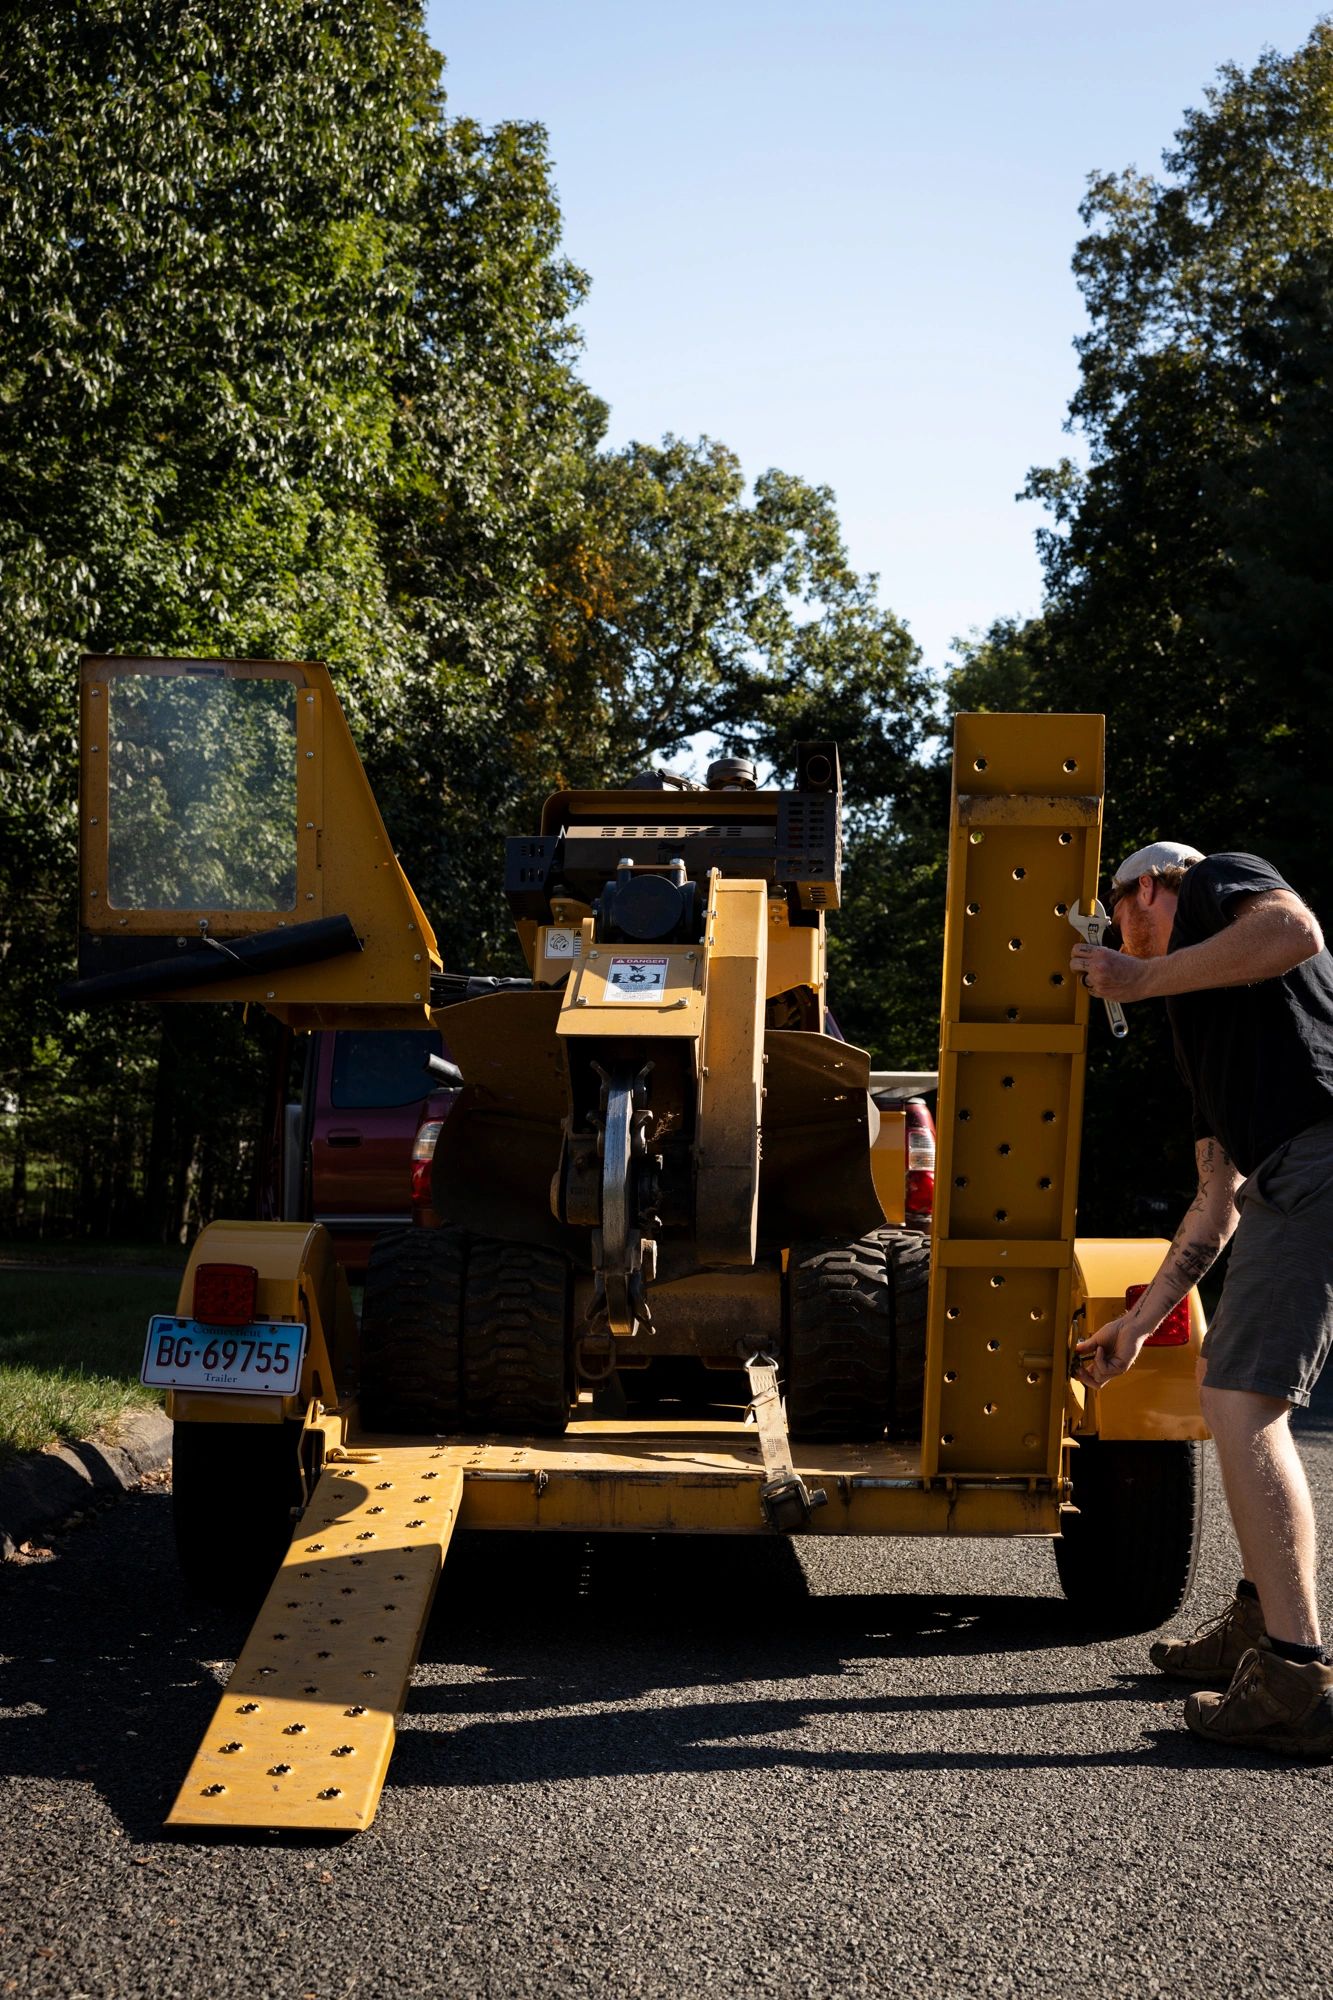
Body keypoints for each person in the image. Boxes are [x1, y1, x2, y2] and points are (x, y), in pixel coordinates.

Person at [1070, 840, 1333, 1758]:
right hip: (1283, 1176)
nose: (1110, 935)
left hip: (1317, 1160)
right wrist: (1136, 1327)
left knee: (1239, 1402)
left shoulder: (1214, 877)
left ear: (1147, 887)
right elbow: (1214, 1203)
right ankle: (1260, 1628)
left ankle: (1295, 1677)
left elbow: (1293, 930)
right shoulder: (1203, 1028)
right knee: (1237, 1386)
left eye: (1113, 915)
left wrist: (1137, 978)